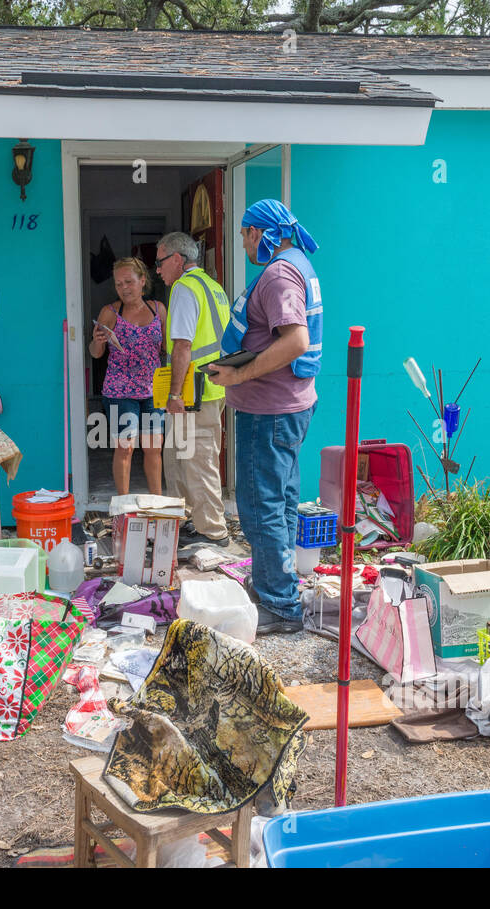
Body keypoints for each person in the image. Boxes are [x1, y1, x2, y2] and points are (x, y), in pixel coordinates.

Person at [206, 200, 323, 634]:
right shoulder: (299, 265)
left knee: (261, 506)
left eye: (243, 232)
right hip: (288, 406)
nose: (241, 240)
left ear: (260, 232)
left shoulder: (277, 274)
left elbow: (295, 341)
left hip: (268, 411)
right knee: (281, 500)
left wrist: (239, 373)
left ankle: (279, 603)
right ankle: (279, 584)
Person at [155, 231, 231, 548]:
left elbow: (183, 346)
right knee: (178, 458)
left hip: (194, 392)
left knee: (198, 463)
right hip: (212, 388)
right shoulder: (212, 287)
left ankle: (213, 532)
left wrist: (174, 395)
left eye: (160, 262)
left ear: (176, 259)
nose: (157, 270)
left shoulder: (184, 289)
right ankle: (185, 519)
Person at [90, 256, 167, 495]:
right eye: (118, 284)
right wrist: (96, 341)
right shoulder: (110, 312)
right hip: (119, 392)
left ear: (142, 281)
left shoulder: (158, 309)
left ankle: (158, 503)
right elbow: (95, 354)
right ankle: (123, 506)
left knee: (154, 448)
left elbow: (166, 349)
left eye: (129, 282)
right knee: (125, 448)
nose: (124, 288)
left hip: (153, 391)